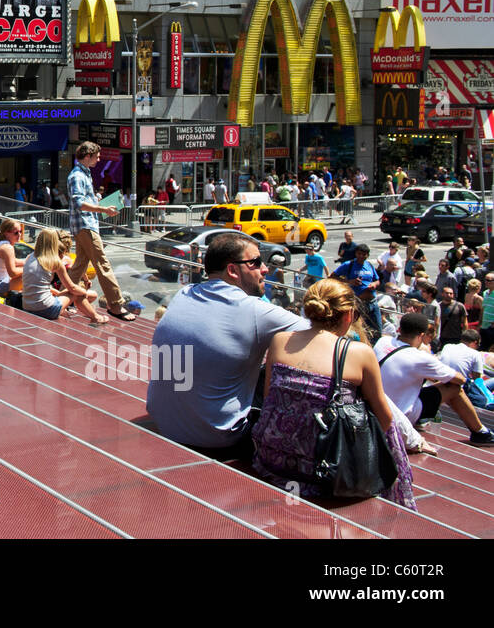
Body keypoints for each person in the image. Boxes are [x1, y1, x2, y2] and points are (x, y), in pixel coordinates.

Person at [251, 277, 415, 508]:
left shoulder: (280, 340)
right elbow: (386, 419)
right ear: (348, 315)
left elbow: (269, 397)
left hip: (271, 458)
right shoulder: (358, 352)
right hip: (323, 470)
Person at [146, 234, 310, 454]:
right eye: (256, 263)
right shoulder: (254, 310)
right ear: (233, 271)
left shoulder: (184, 293)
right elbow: (320, 334)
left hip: (164, 422)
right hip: (218, 437)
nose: (265, 270)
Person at [375, 312, 494, 446]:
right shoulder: (420, 358)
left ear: (399, 329)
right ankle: (480, 433)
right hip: (400, 415)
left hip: (376, 408)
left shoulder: (382, 342)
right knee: (454, 388)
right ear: (421, 335)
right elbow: (460, 379)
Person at [67, 141, 137, 321]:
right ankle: (115, 304)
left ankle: (60, 300)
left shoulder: (84, 174)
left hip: (85, 225)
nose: (99, 159)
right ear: (88, 156)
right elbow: (78, 203)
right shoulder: (77, 176)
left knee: (78, 268)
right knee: (103, 264)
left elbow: (84, 201)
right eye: (97, 156)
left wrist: (101, 205)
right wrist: (103, 210)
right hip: (86, 225)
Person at [22, 228, 105, 324]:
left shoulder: (30, 257)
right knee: (75, 292)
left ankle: (64, 313)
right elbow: (72, 288)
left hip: (27, 307)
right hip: (46, 309)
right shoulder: (54, 261)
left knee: (68, 293)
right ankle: (96, 317)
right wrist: (83, 292)